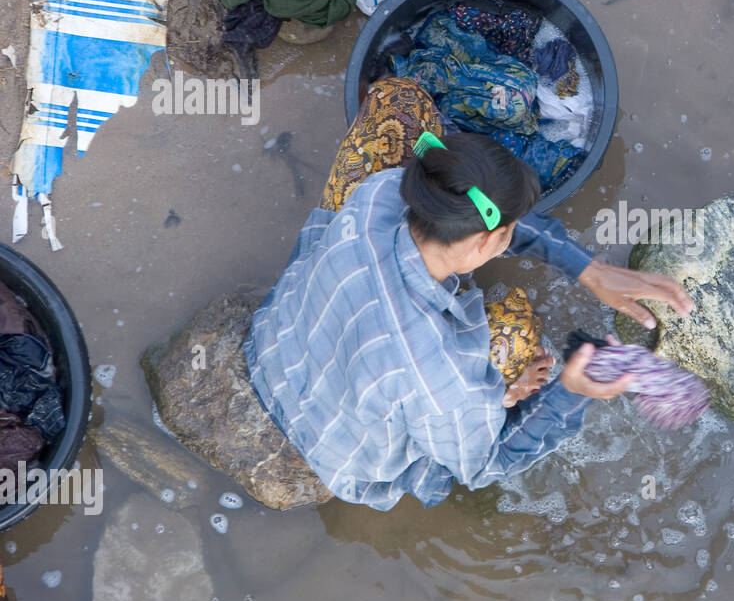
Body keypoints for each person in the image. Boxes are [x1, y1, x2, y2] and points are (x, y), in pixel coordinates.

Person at [244, 76, 692, 510]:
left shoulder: (377, 197)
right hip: (336, 444)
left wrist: (589, 269)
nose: (514, 236)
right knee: (516, 330)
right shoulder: (443, 376)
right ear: (483, 242)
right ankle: (502, 395)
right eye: (509, 232)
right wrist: (571, 392)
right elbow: (485, 467)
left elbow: (481, 210)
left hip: (276, 344)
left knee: (401, 99)